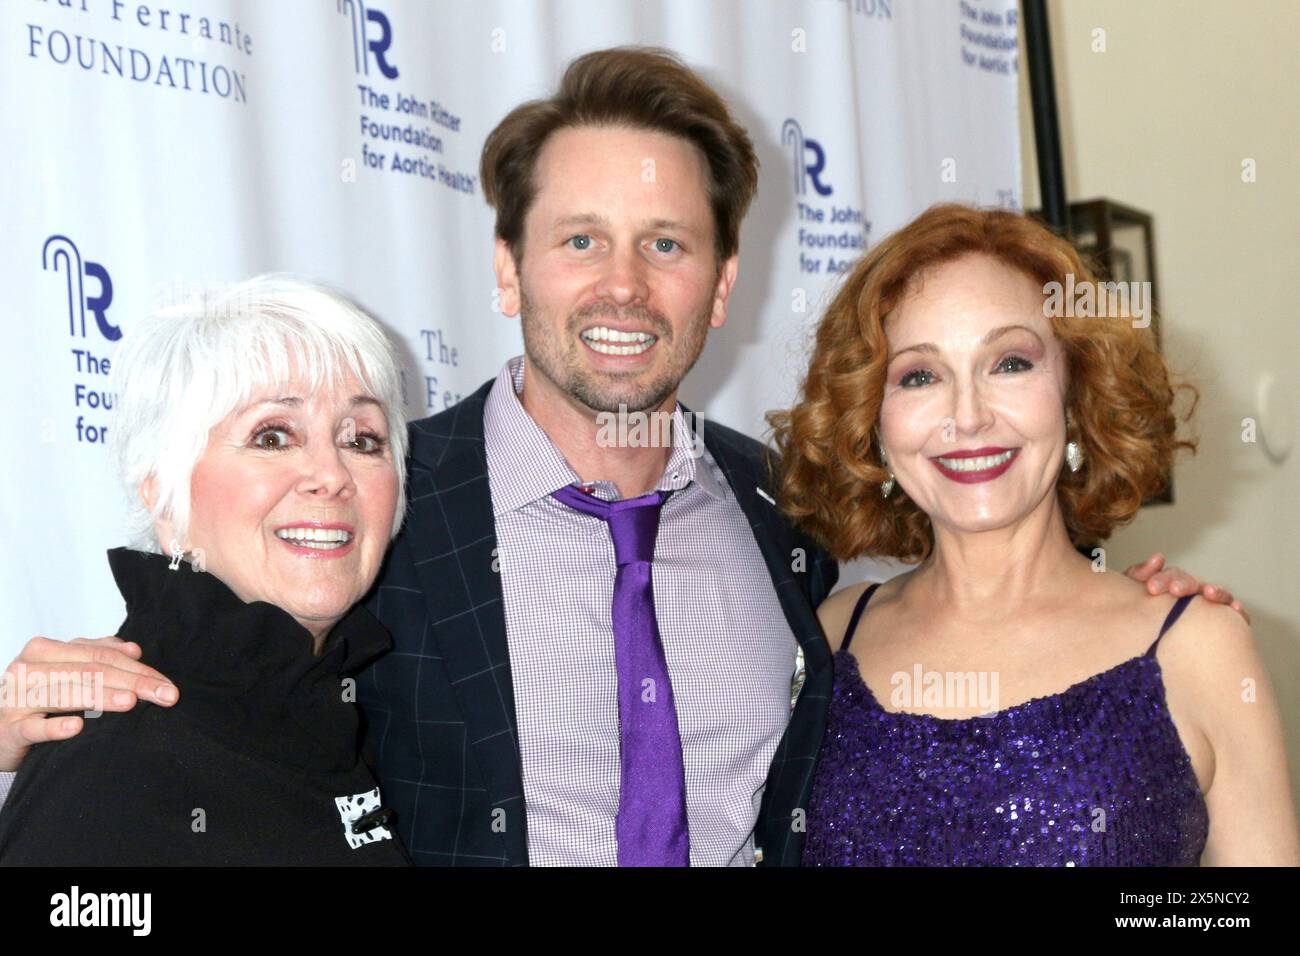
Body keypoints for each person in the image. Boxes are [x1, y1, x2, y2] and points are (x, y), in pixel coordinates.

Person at [0, 49, 1237, 867]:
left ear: (723, 285)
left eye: (667, 243)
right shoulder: (371, 501)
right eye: (579, 237)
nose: (622, 287)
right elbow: (202, 703)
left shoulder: (782, 516)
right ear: (506, 267)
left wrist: (1128, 616)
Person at [768, 204, 1299, 866]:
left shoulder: (1197, 646)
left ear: (1075, 392)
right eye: (919, 376)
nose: (967, 416)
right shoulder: (826, 637)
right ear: (871, 420)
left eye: (1009, 363)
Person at [0, 276, 412, 865]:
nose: (332, 473)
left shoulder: (327, 712)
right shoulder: (120, 756)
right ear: (166, 499)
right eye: (273, 436)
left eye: (363, 440)